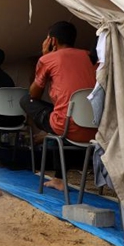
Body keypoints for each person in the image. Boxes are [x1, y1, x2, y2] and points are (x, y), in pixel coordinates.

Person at [20, 21, 96, 191]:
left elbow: (34, 95)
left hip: (66, 126)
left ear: (52, 41)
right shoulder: (90, 56)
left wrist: (43, 56)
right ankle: (59, 177)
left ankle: (48, 131)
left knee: (25, 100)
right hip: (94, 128)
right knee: (62, 113)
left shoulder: (48, 59)